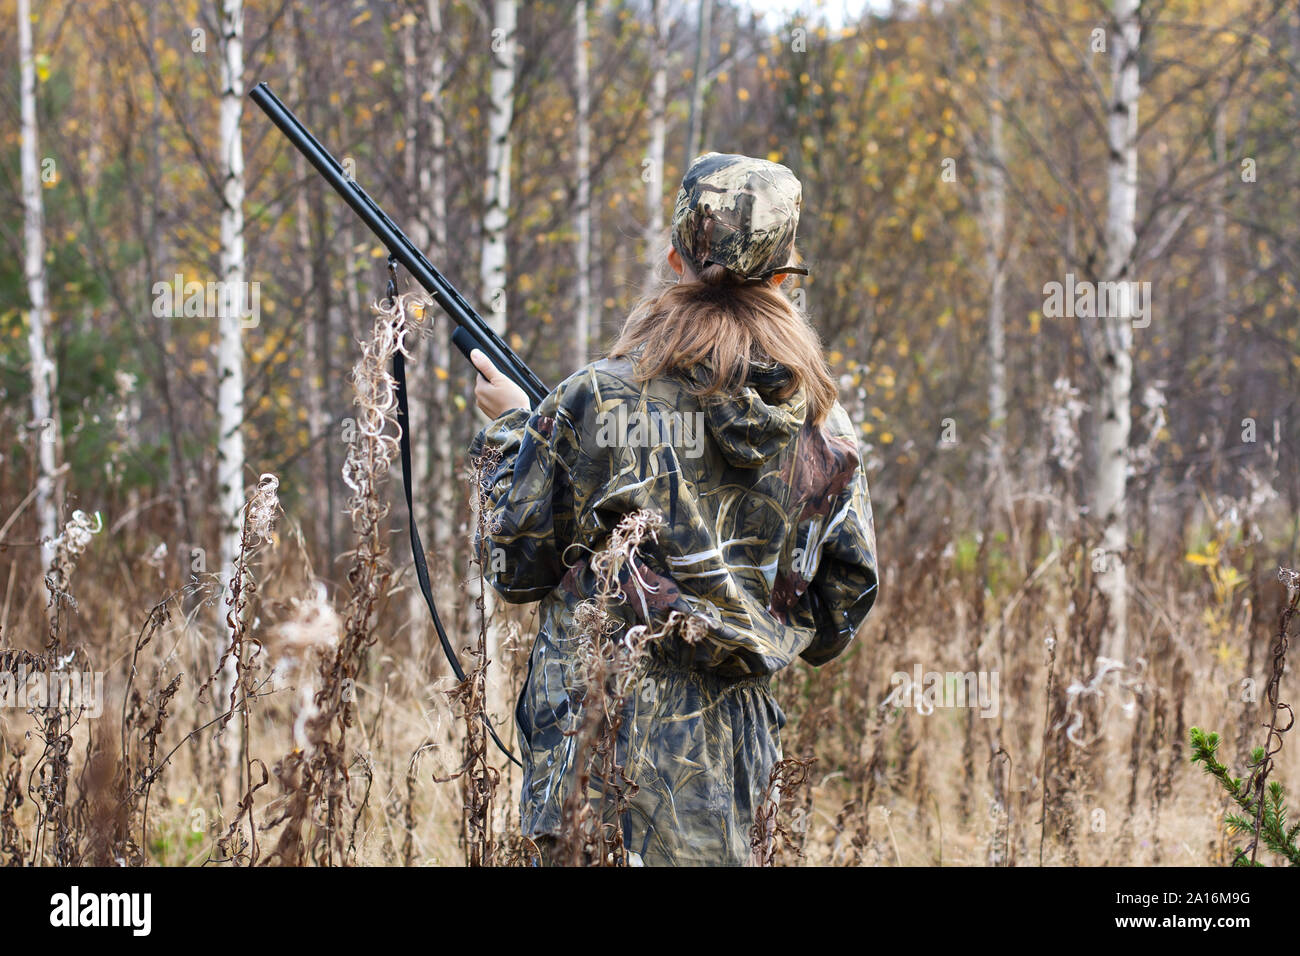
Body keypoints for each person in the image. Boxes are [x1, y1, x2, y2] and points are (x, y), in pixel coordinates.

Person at [466, 152, 878, 866]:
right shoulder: (826, 429)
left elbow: (513, 563)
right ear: (784, 279)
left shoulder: (599, 400)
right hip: (735, 772)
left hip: (598, 756)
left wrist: (511, 431)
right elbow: (843, 604)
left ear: (674, 261)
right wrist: (750, 615)